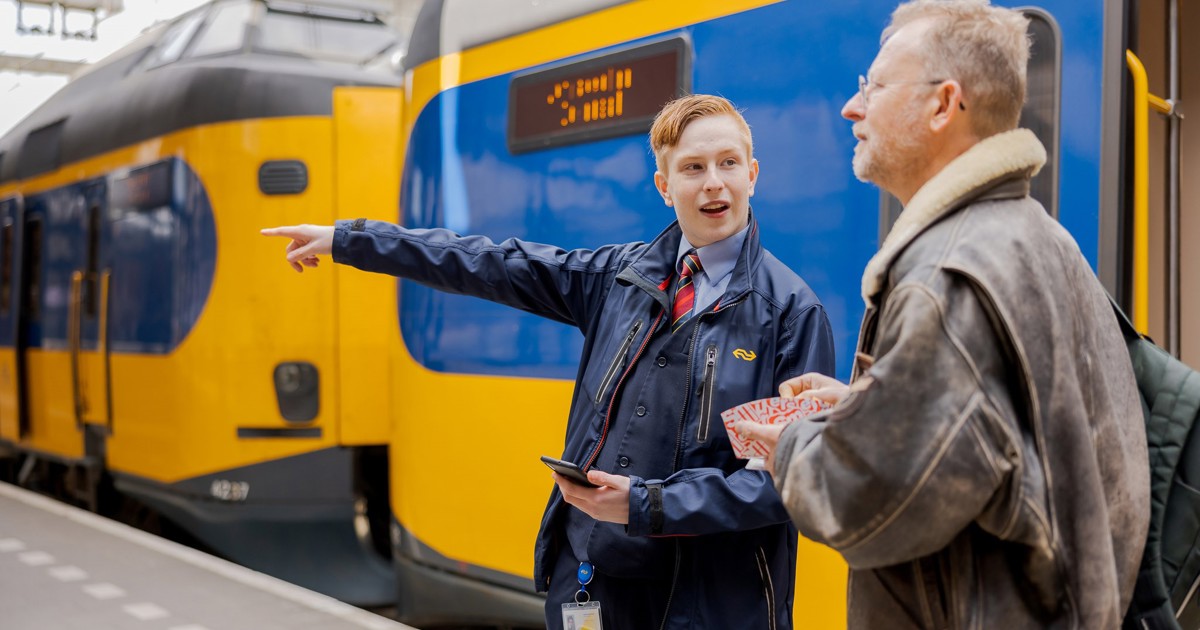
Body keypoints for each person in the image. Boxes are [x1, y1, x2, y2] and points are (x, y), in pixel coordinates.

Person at [263, 94, 835, 629]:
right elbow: (488, 262)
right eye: (693, 168)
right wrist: (350, 241)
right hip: (591, 576)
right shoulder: (618, 278)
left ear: (752, 175)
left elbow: (785, 483)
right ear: (664, 185)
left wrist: (644, 505)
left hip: (706, 602)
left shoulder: (790, 312)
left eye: (729, 163)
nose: (715, 184)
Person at [736, 1, 1150, 628]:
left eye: (873, 87)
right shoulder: (1036, 236)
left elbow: (864, 502)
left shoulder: (945, 276)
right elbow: (992, 440)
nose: (852, 108)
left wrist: (791, 443)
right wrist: (863, 407)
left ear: (941, 104)